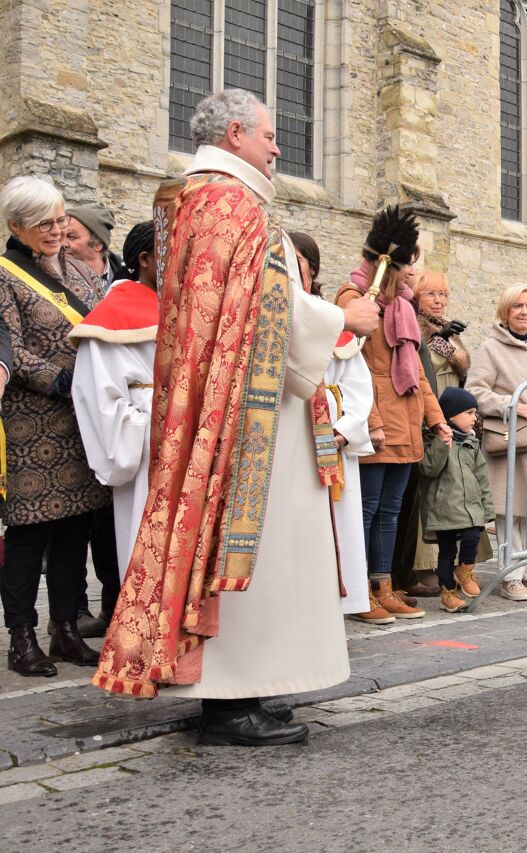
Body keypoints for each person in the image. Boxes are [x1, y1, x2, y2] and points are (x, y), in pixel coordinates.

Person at [92, 88, 381, 747]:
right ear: (233, 133)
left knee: (251, 555)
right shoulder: (226, 201)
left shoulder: (198, 198)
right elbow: (264, 307)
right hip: (245, 425)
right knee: (241, 549)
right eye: (269, 135)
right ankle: (226, 703)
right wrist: (343, 318)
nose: (278, 147)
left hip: (238, 406)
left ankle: (246, 687)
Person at [0, 175, 109, 677]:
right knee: (29, 534)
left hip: (82, 421)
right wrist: (61, 379)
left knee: (75, 530)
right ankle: (21, 638)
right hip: (32, 425)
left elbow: (103, 321)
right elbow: (11, 349)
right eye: (44, 223)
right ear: (16, 226)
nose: (56, 230)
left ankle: (65, 628)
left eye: (61, 219)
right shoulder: (4, 275)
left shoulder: (77, 269)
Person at [336, 209, 450, 623]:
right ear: (388, 264)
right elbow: (353, 371)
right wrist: (371, 423)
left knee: (390, 512)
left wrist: (436, 418)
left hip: (406, 421)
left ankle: (384, 585)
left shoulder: (402, 309)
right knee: (366, 510)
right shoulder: (355, 302)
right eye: (407, 268)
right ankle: (360, 589)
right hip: (376, 425)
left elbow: (417, 369)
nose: (411, 276)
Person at [291, 231, 378, 620]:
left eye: (297, 259)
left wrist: (343, 429)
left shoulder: (332, 323)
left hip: (331, 441)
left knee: (337, 523)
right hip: (289, 443)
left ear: (311, 268)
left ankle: (336, 604)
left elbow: (358, 386)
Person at [70, 222, 160, 599]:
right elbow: (99, 398)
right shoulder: (114, 318)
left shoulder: (196, 310)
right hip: (148, 448)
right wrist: (149, 429)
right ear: (145, 259)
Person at [466, 283, 527, 601]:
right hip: (513, 442)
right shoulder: (490, 348)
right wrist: (512, 403)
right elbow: (476, 390)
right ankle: (511, 575)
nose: (524, 312)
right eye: (517, 306)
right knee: (512, 511)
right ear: (505, 312)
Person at [391, 270, 474, 600]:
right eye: (431, 294)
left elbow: (463, 365)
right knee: (425, 493)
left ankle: (453, 562)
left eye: (443, 294)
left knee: (449, 489)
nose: (439, 301)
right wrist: (441, 341)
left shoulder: (445, 330)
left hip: (449, 411)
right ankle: (421, 565)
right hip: (428, 411)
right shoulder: (415, 323)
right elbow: (423, 360)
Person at [420, 387, 494, 612]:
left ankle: (465, 568)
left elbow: (482, 478)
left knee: (473, 534)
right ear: (451, 415)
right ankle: (448, 593)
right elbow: (429, 468)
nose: (475, 418)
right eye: (470, 413)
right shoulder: (434, 439)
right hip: (445, 509)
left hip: (470, 508)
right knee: (447, 552)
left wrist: (487, 508)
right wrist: (442, 443)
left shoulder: (472, 443)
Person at [63, 203, 127, 289]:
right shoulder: (52, 276)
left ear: (98, 244)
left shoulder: (127, 278)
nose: (62, 244)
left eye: (71, 237)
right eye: (61, 236)